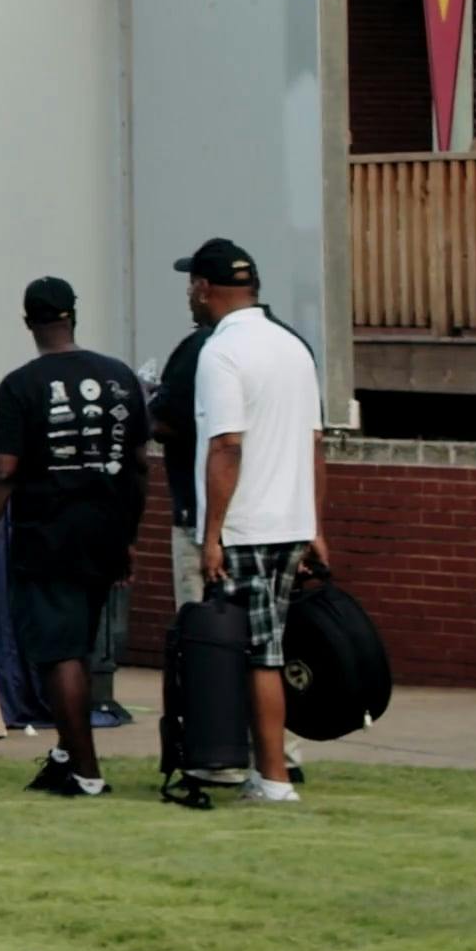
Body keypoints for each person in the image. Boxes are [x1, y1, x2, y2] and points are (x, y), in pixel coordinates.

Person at [0, 274, 150, 797]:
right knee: (81, 645)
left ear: (29, 322)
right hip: (106, 531)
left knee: (59, 651)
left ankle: (86, 774)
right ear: (73, 314)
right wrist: (129, 534)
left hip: (49, 532)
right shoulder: (120, 378)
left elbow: (2, 471)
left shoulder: (21, 386)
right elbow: (138, 464)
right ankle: (67, 754)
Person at [183, 237, 325, 805]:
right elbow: (315, 445)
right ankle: (265, 769)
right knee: (270, 646)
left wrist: (212, 533)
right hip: (291, 519)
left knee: (259, 655)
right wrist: (317, 524)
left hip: (247, 524)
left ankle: (272, 777)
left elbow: (226, 447)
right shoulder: (293, 346)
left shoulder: (220, 353)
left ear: (204, 288)